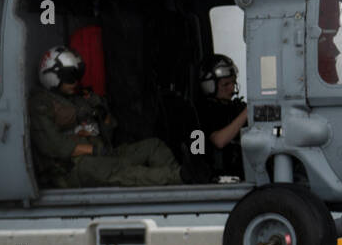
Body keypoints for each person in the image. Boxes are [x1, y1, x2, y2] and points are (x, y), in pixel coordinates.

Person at [29, 46, 183, 188]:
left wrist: (102, 114)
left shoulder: (77, 98)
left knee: (153, 146)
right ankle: (180, 177)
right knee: (125, 172)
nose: (75, 82)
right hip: (73, 168)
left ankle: (181, 184)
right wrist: (93, 150)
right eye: (70, 77)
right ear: (52, 77)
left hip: (101, 155)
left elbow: (106, 131)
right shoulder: (40, 104)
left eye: (77, 75)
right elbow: (54, 146)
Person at [196, 54, 247, 180]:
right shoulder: (204, 111)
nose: (231, 88)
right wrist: (248, 112)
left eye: (233, 82)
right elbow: (219, 141)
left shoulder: (235, 108)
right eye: (225, 84)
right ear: (209, 85)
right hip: (219, 176)